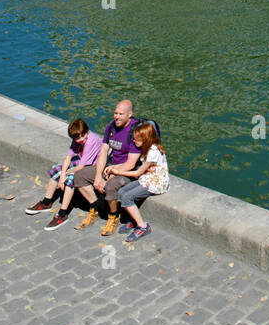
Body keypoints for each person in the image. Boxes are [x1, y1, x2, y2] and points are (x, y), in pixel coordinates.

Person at [73, 98, 140, 236]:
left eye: (121, 114)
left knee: (110, 186)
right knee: (79, 176)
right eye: (115, 113)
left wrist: (113, 173)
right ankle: (96, 206)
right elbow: (103, 152)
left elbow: (131, 163)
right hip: (110, 166)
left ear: (129, 114)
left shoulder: (135, 131)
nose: (116, 117)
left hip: (127, 171)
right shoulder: (111, 127)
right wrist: (98, 176)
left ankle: (113, 216)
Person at [25, 117, 103, 230]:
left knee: (71, 177)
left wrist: (65, 174)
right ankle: (46, 202)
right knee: (56, 169)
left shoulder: (91, 141)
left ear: (87, 132)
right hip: (83, 161)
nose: (81, 139)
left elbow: (81, 167)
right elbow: (68, 157)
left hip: (93, 165)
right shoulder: (78, 137)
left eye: (83, 136)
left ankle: (63, 213)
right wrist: (61, 175)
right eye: (77, 138)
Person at [110, 121, 170, 241]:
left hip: (155, 182)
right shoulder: (147, 148)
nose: (133, 141)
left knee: (127, 197)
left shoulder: (153, 153)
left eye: (136, 139)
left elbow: (137, 173)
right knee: (121, 192)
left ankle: (143, 226)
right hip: (147, 178)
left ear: (145, 140)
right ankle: (132, 219)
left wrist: (117, 172)